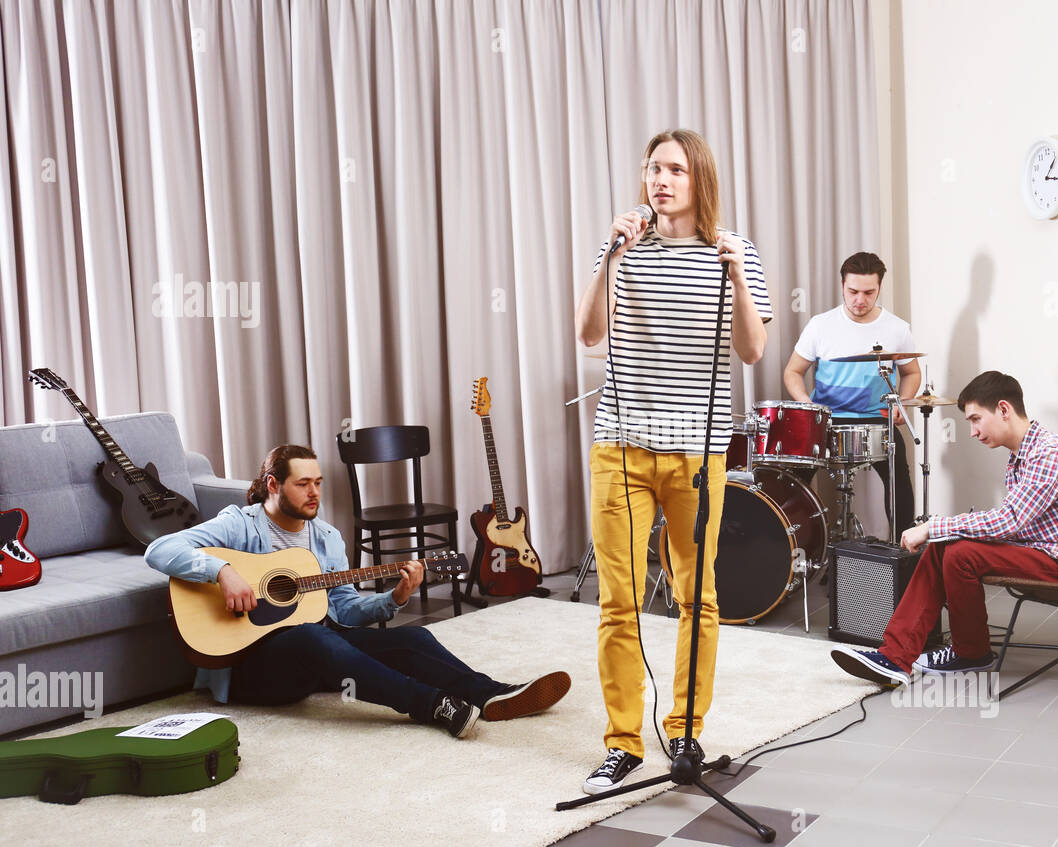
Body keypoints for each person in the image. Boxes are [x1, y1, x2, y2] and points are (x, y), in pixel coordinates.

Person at [574, 129, 772, 794]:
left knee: (697, 598)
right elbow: (589, 334)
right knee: (619, 600)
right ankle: (623, 741)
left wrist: (739, 276)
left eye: (674, 169)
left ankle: (685, 728)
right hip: (620, 447)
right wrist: (607, 258)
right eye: (652, 167)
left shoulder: (731, 251)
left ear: (698, 179)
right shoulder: (624, 247)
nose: (659, 179)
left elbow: (751, 350)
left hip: (696, 452)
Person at [145, 444, 570, 737]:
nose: (314, 493)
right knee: (314, 635)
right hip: (250, 669)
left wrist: (396, 598)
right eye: (302, 484)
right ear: (273, 485)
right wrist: (223, 572)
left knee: (412, 637)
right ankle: (433, 705)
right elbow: (161, 548)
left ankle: (491, 694)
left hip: (315, 656)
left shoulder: (326, 537)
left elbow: (345, 610)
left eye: (318, 482)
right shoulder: (241, 523)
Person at [830, 371, 1058, 684]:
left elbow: (1011, 520)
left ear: (1004, 409)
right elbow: (1015, 523)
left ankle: (969, 653)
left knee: (959, 553)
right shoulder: (1024, 455)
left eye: (976, 419)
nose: (972, 431)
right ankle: (895, 657)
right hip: (1052, 552)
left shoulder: (1048, 453)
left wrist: (933, 526)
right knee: (948, 546)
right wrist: (947, 531)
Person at [783, 252, 921, 540]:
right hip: (827, 420)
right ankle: (794, 548)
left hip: (878, 419)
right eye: (853, 291)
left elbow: (912, 373)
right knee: (792, 484)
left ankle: (903, 551)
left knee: (900, 483)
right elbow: (792, 372)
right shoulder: (821, 325)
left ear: (880, 288)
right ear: (842, 286)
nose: (860, 300)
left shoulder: (897, 328)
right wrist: (807, 405)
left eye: (869, 292)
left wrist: (902, 403)